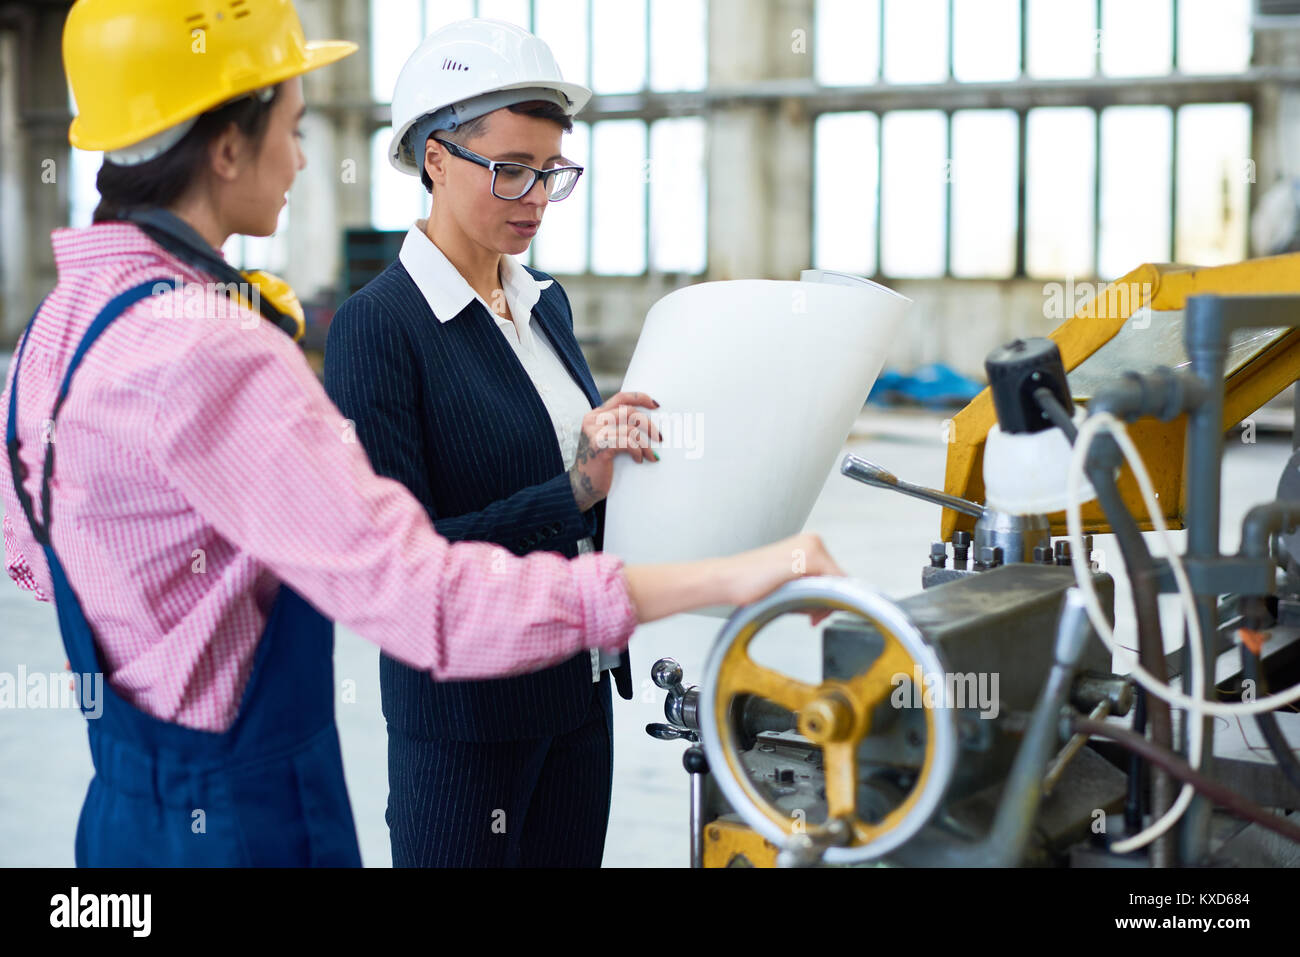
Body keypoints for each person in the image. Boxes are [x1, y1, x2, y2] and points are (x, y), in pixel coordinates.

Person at [0, 0, 845, 867]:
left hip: (126, 806)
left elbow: (36, 562)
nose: (299, 158)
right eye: (293, 129)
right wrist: (735, 571)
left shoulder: (61, 328)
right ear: (225, 147)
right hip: (243, 812)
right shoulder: (218, 345)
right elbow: (422, 597)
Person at [326, 18, 659, 867]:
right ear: (435, 158)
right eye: (510, 169)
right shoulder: (380, 327)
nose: (536, 197)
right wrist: (577, 487)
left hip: (580, 689)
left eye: (552, 172)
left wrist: (604, 446)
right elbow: (400, 563)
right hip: (468, 717)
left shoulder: (545, 305)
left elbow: (555, 469)